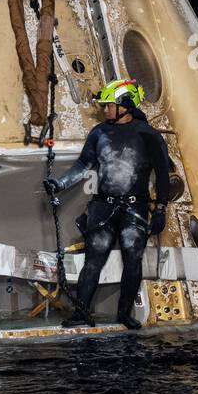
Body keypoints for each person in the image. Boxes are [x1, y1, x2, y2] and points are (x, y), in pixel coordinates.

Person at [43, 78, 171, 330]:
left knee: (132, 260)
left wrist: (161, 209)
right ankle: (81, 313)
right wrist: (59, 184)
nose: (105, 109)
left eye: (109, 105)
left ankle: (123, 314)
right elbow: (83, 165)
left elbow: (163, 174)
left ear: (125, 105)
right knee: (93, 260)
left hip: (135, 209)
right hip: (102, 208)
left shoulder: (148, 135)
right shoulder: (98, 133)